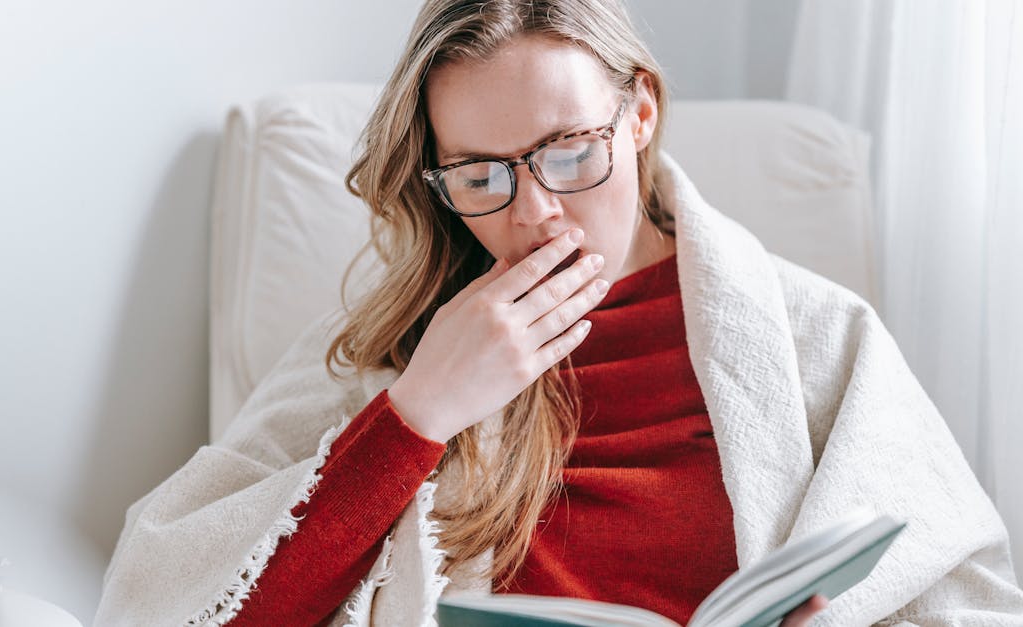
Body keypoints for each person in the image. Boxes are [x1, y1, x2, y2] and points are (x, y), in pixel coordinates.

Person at [94, 1, 1023, 625]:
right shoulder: (399, 352)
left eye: (569, 151)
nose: (534, 210)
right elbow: (165, 600)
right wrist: (418, 416)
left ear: (640, 113)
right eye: (481, 175)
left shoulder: (816, 332)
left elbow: (966, 589)